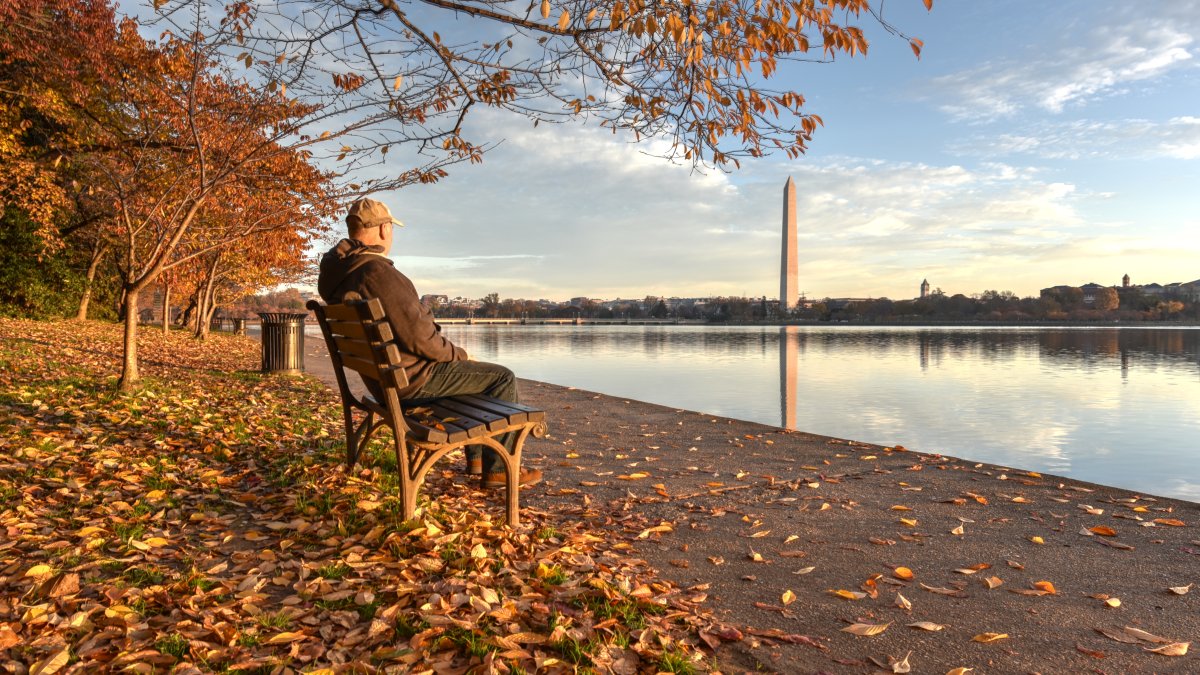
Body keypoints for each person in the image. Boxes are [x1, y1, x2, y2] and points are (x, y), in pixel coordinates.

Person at [316, 197, 542, 489]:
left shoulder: (341, 275)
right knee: (501, 377)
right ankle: (498, 469)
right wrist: (459, 355)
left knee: (472, 375)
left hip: (383, 381)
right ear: (384, 229)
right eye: (391, 228)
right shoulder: (378, 274)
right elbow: (421, 338)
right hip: (411, 382)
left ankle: (476, 460)